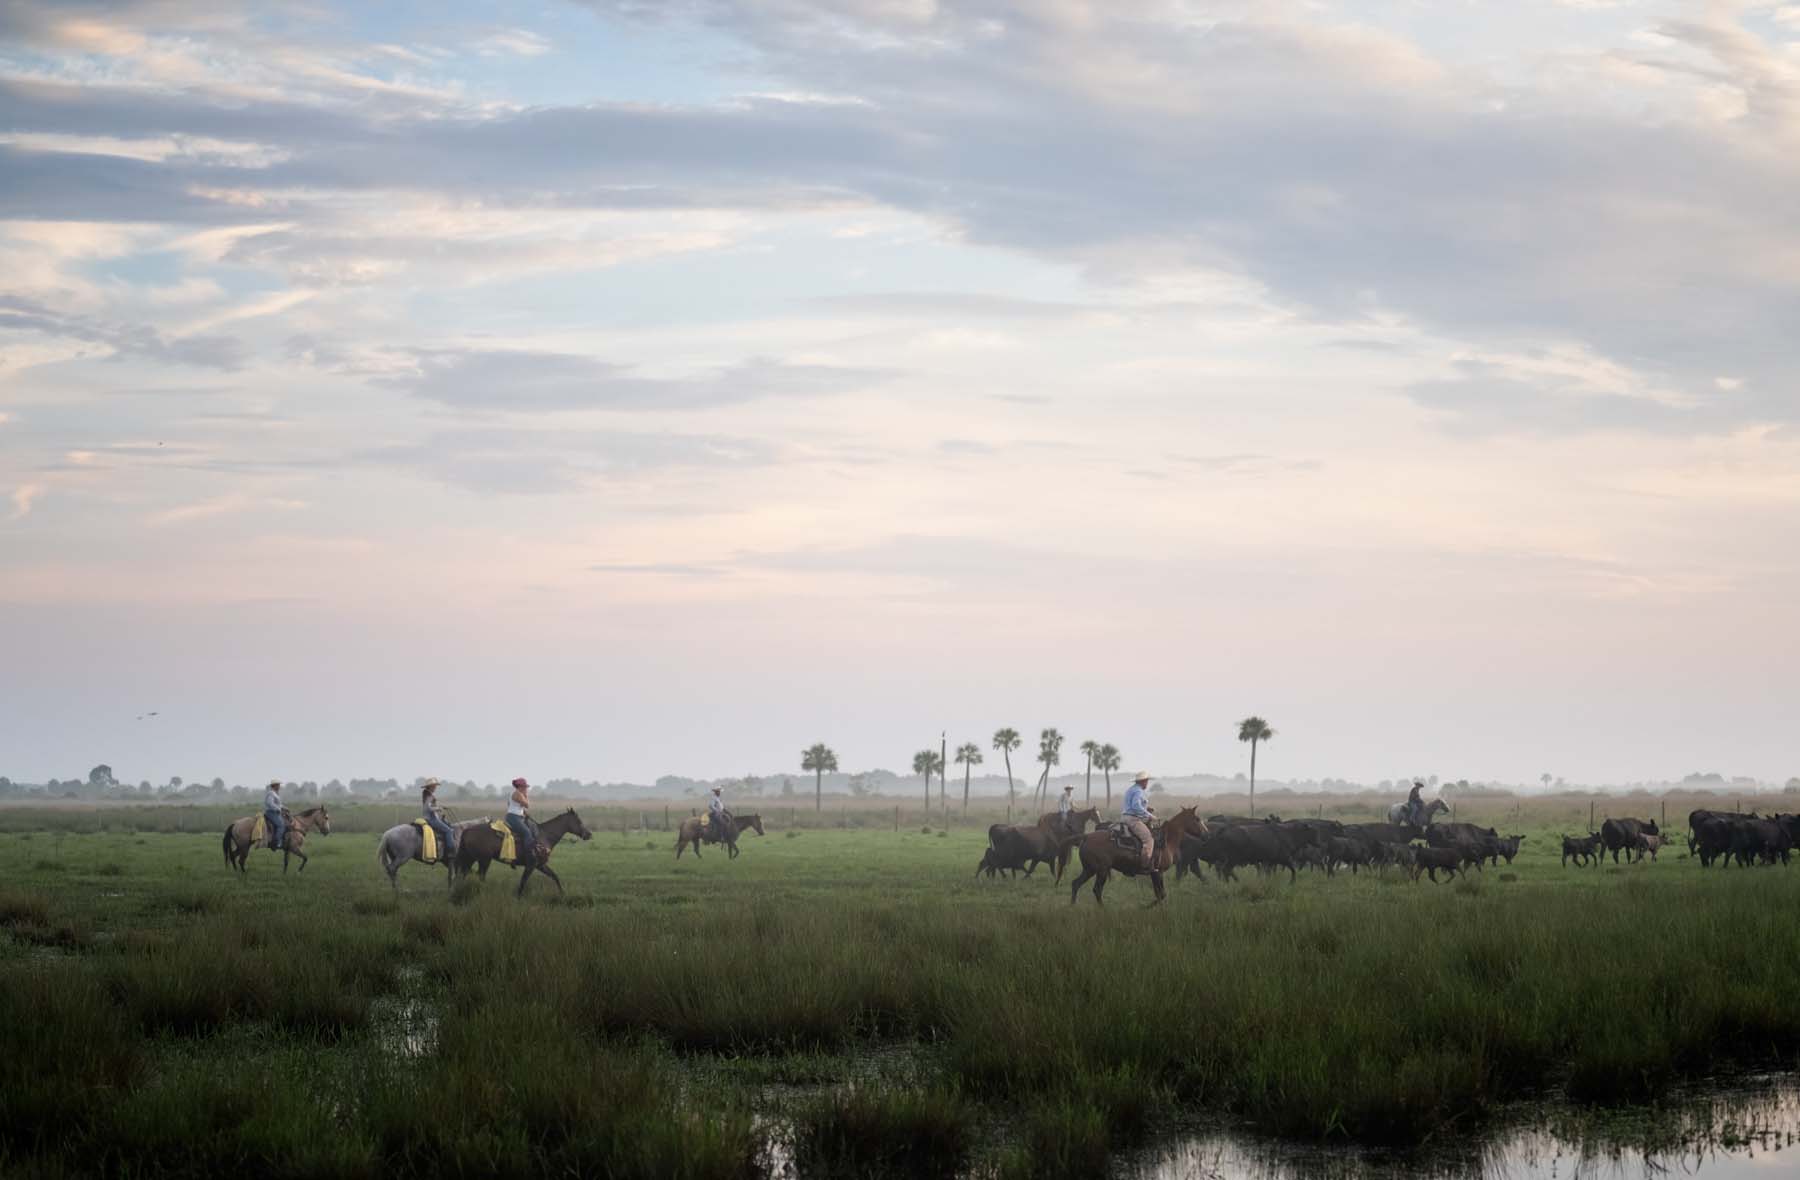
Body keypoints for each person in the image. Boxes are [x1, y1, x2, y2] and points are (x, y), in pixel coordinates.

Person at [1121, 771, 1157, 871]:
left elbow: (1135, 804)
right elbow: (1136, 806)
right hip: (1132, 819)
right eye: (1146, 781)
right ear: (1143, 781)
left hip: (1125, 817)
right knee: (1149, 839)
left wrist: (1146, 808)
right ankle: (1145, 866)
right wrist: (1149, 815)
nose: (1147, 783)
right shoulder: (1138, 791)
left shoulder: (1131, 789)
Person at [420, 778, 456, 860]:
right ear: (431, 787)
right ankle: (450, 851)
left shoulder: (428, 795)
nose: (435, 787)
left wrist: (441, 808)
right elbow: (428, 808)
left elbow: (431, 807)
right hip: (431, 819)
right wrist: (439, 808)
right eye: (434, 786)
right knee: (449, 831)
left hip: (430, 817)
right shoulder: (429, 796)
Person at [506, 777, 536, 862]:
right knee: (527, 833)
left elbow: (512, 806)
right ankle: (528, 854)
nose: (526, 789)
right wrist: (526, 795)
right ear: (520, 786)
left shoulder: (515, 793)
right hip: (514, 818)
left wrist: (523, 813)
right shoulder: (518, 794)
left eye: (526, 787)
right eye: (525, 787)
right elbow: (527, 805)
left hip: (515, 817)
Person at [263, 779, 288, 852]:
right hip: (271, 812)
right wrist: (278, 809)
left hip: (275, 812)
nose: (279, 786)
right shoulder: (271, 793)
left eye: (279, 785)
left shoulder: (275, 793)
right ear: (275, 785)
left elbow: (279, 804)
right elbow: (270, 803)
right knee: (281, 825)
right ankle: (276, 842)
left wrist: (285, 808)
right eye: (278, 785)